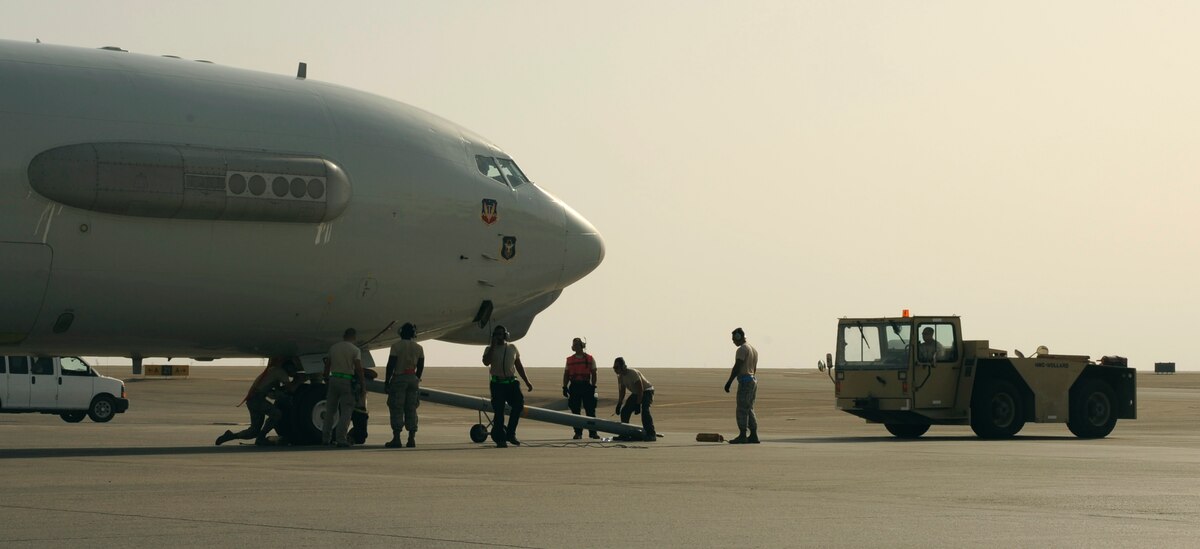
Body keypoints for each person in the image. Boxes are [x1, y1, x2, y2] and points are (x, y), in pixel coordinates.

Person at [215, 357, 302, 446]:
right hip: (257, 399)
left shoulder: (274, 371)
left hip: (252, 400)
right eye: (294, 369)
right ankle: (261, 437)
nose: (295, 371)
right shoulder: (281, 372)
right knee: (276, 414)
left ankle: (231, 436)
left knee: (254, 431)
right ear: (289, 367)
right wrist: (300, 380)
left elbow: (276, 391)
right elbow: (290, 389)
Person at [482, 325, 533, 448]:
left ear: (506, 335)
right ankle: (500, 439)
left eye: (501, 334)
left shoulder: (512, 348)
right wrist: (493, 346)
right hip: (497, 384)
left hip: (511, 383)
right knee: (498, 412)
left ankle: (511, 433)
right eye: (496, 334)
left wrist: (527, 381)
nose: (499, 337)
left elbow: (518, 365)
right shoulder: (489, 348)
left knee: (518, 405)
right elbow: (486, 362)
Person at [322, 328, 366, 447]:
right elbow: (358, 369)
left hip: (334, 379)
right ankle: (341, 439)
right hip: (347, 380)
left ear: (344, 335)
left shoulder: (334, 347)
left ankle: (326, 438)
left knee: (330, 411)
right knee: (346, 411)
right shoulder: (355, 350)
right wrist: (362, 385)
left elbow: (327, 365)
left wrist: (326, 378)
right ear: (354, 337)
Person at [385, 322, 424, 448]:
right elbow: (421, 364)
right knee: (411, 408)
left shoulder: (396, 346)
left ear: (401, 333)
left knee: (397, 407)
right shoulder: (418, 347)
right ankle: (411, 438)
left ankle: (396, 438)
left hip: (399, 378)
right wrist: (416, 378)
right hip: (413, 378)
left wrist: (387, 381)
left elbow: (391, 364)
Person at [723, 327, 759, 444]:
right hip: (752, 380)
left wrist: (729, 382)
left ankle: (743, 434)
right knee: (749, 409)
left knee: (742, 409)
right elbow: (754, 368)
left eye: (734, 339)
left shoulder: (742, 350)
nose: (733, 341)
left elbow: (737, 367)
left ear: (739, 337)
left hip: (745, 381)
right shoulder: (753, 349)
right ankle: (753, 435)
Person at [561, 337, 599, 439]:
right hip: (574, 386)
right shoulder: (569, 360)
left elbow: (594, 373)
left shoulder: (590, 358)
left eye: (577, 344)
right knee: (575, 411)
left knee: (590, 410)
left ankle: (593, 432)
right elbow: (566, 374)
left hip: (586, 386)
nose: (575, 347)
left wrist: (593, 386)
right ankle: (578, 433)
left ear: (582, 346)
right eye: (574, 345)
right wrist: (564, 387)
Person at [613, 357, 656, 441]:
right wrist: (619, 404)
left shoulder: (632, 373)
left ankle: (651, 434)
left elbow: (640, 389)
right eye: (614, 368)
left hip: (647, 391)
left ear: (623, 366)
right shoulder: (620, 377)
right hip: (637, 393)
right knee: (625, 411)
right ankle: (624, 434)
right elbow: (622, 392)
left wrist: (637, 404)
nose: (615, 370)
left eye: (617, 367)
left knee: (645, 410)